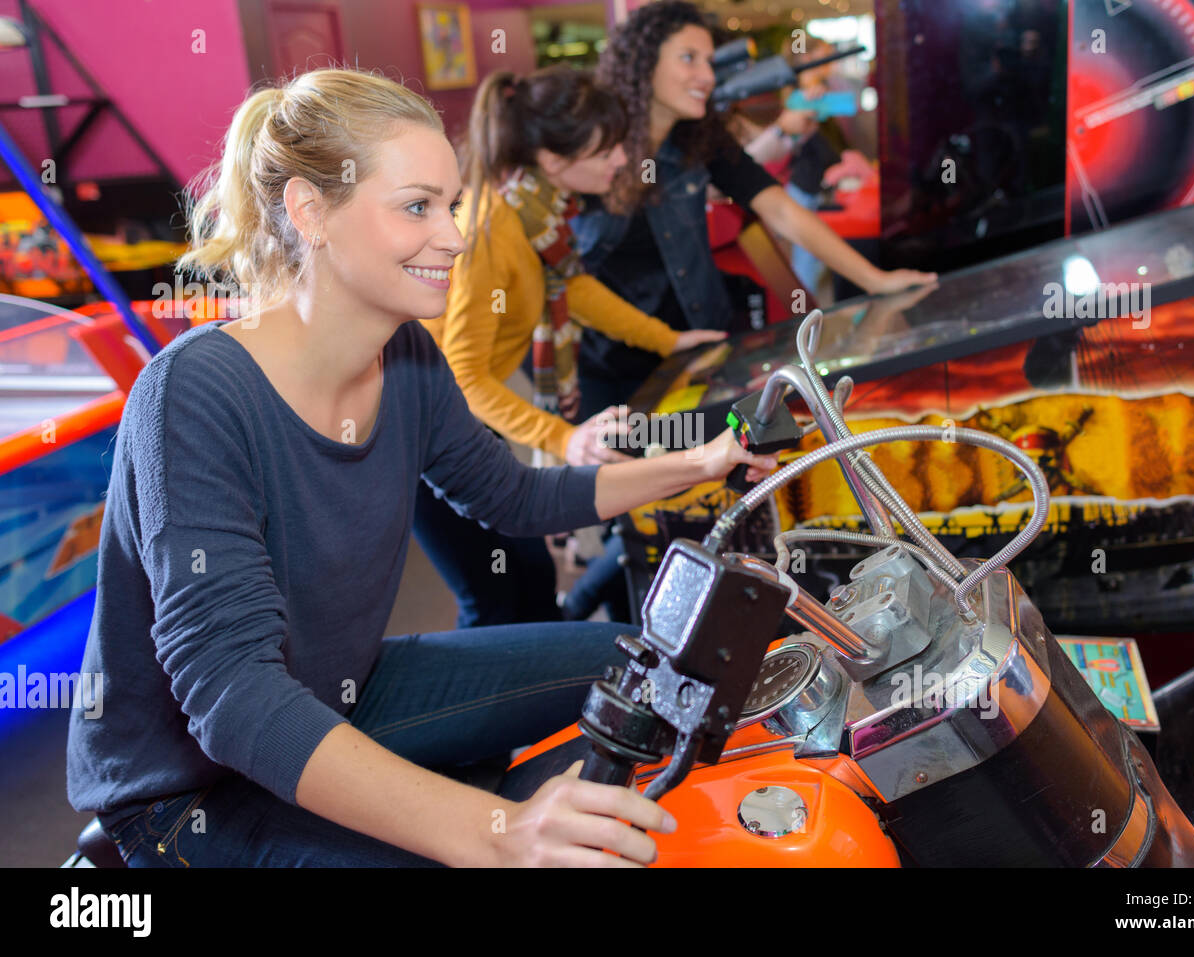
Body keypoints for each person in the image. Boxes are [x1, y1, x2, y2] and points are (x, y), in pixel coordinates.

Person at [65, 68, 776, 867]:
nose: (456, 234)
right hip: (188, 791)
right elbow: (232, 696)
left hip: (350, 688)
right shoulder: (194, 393)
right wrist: (498, 833)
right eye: (417, 207)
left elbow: (514, 496)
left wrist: (703, 462)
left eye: (450, 202)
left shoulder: (406, 354)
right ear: (310, 211)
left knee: (647, 666)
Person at [417, 67, 725, 626]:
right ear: (556, 159)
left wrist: (669, 339)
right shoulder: (493, 227)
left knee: (530, 579)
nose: (618, 162)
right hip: (418, 430)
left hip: (446, 417)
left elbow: (574, 289)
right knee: (493, 598)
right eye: (606, 149)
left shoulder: (537, 214)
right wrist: (565, 438)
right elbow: (464, 375)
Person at [572, 0, 937, 419]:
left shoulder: (700, 139)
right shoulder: (593, 149)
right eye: (688, 59)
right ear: (643, 64)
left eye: (709, 62)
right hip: (617, 372)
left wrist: (876, 280)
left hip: (701, 357)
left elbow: (782, 211)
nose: (706, 76)